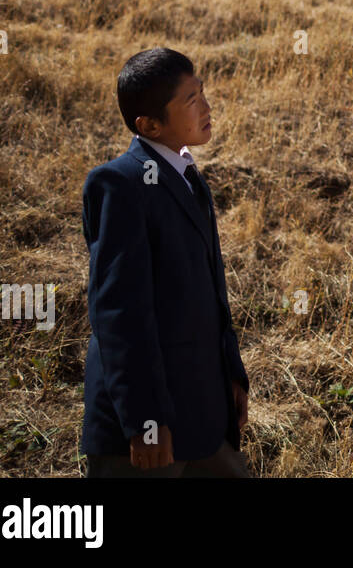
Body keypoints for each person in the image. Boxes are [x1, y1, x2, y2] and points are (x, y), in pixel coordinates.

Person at [80, 47, 250, 477]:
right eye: (191, 101)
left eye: (203, 93)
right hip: (148, 435)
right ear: (149, 125)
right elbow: (119, 314)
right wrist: (145, 420)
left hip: (203, 416)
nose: (207, 107)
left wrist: (231, 373)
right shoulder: (120, 184)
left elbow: (210, 293)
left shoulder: (187, 175)